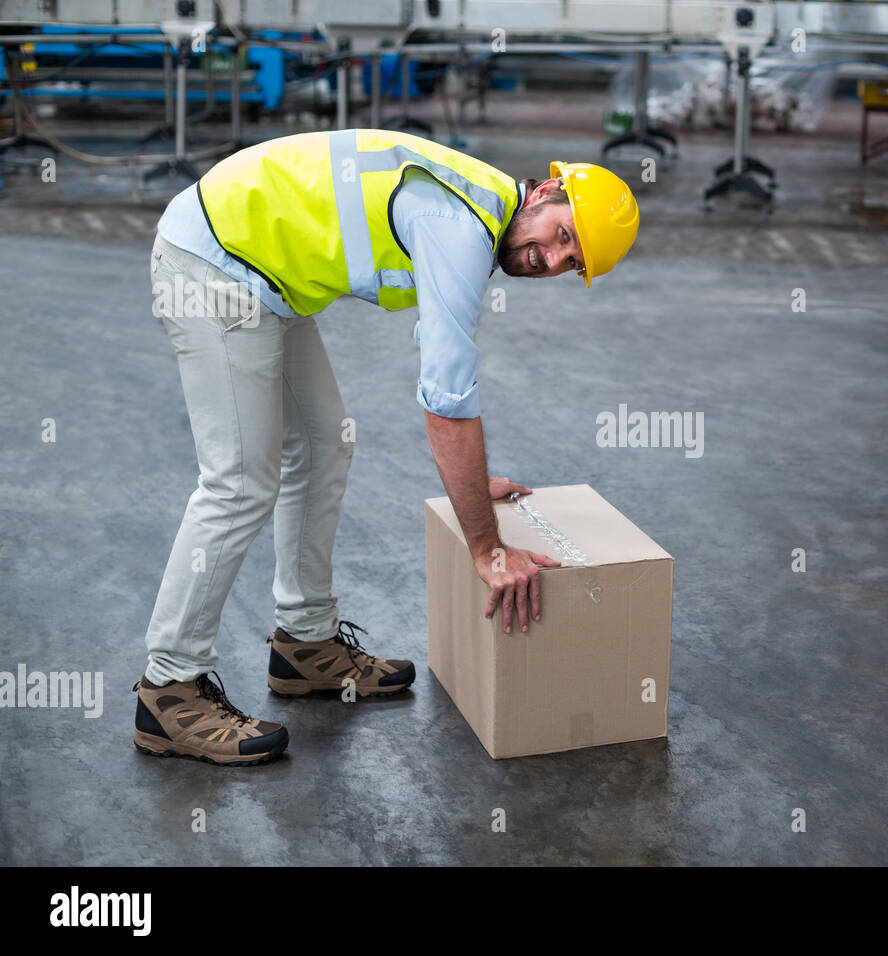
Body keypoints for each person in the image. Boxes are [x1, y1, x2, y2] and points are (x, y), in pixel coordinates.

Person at [132, 129, 640, 766]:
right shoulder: (459, 225)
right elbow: (447, 403)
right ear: (545, 191)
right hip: (213, 261)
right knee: (238, 481)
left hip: (261, 272)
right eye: (564, 234)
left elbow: (448, 397)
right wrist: (486, 546)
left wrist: (469, 487)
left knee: (322, 447)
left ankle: (305, 644)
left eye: (573, 264)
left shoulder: (482, 211)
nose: (552, 259)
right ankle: (169, 690)